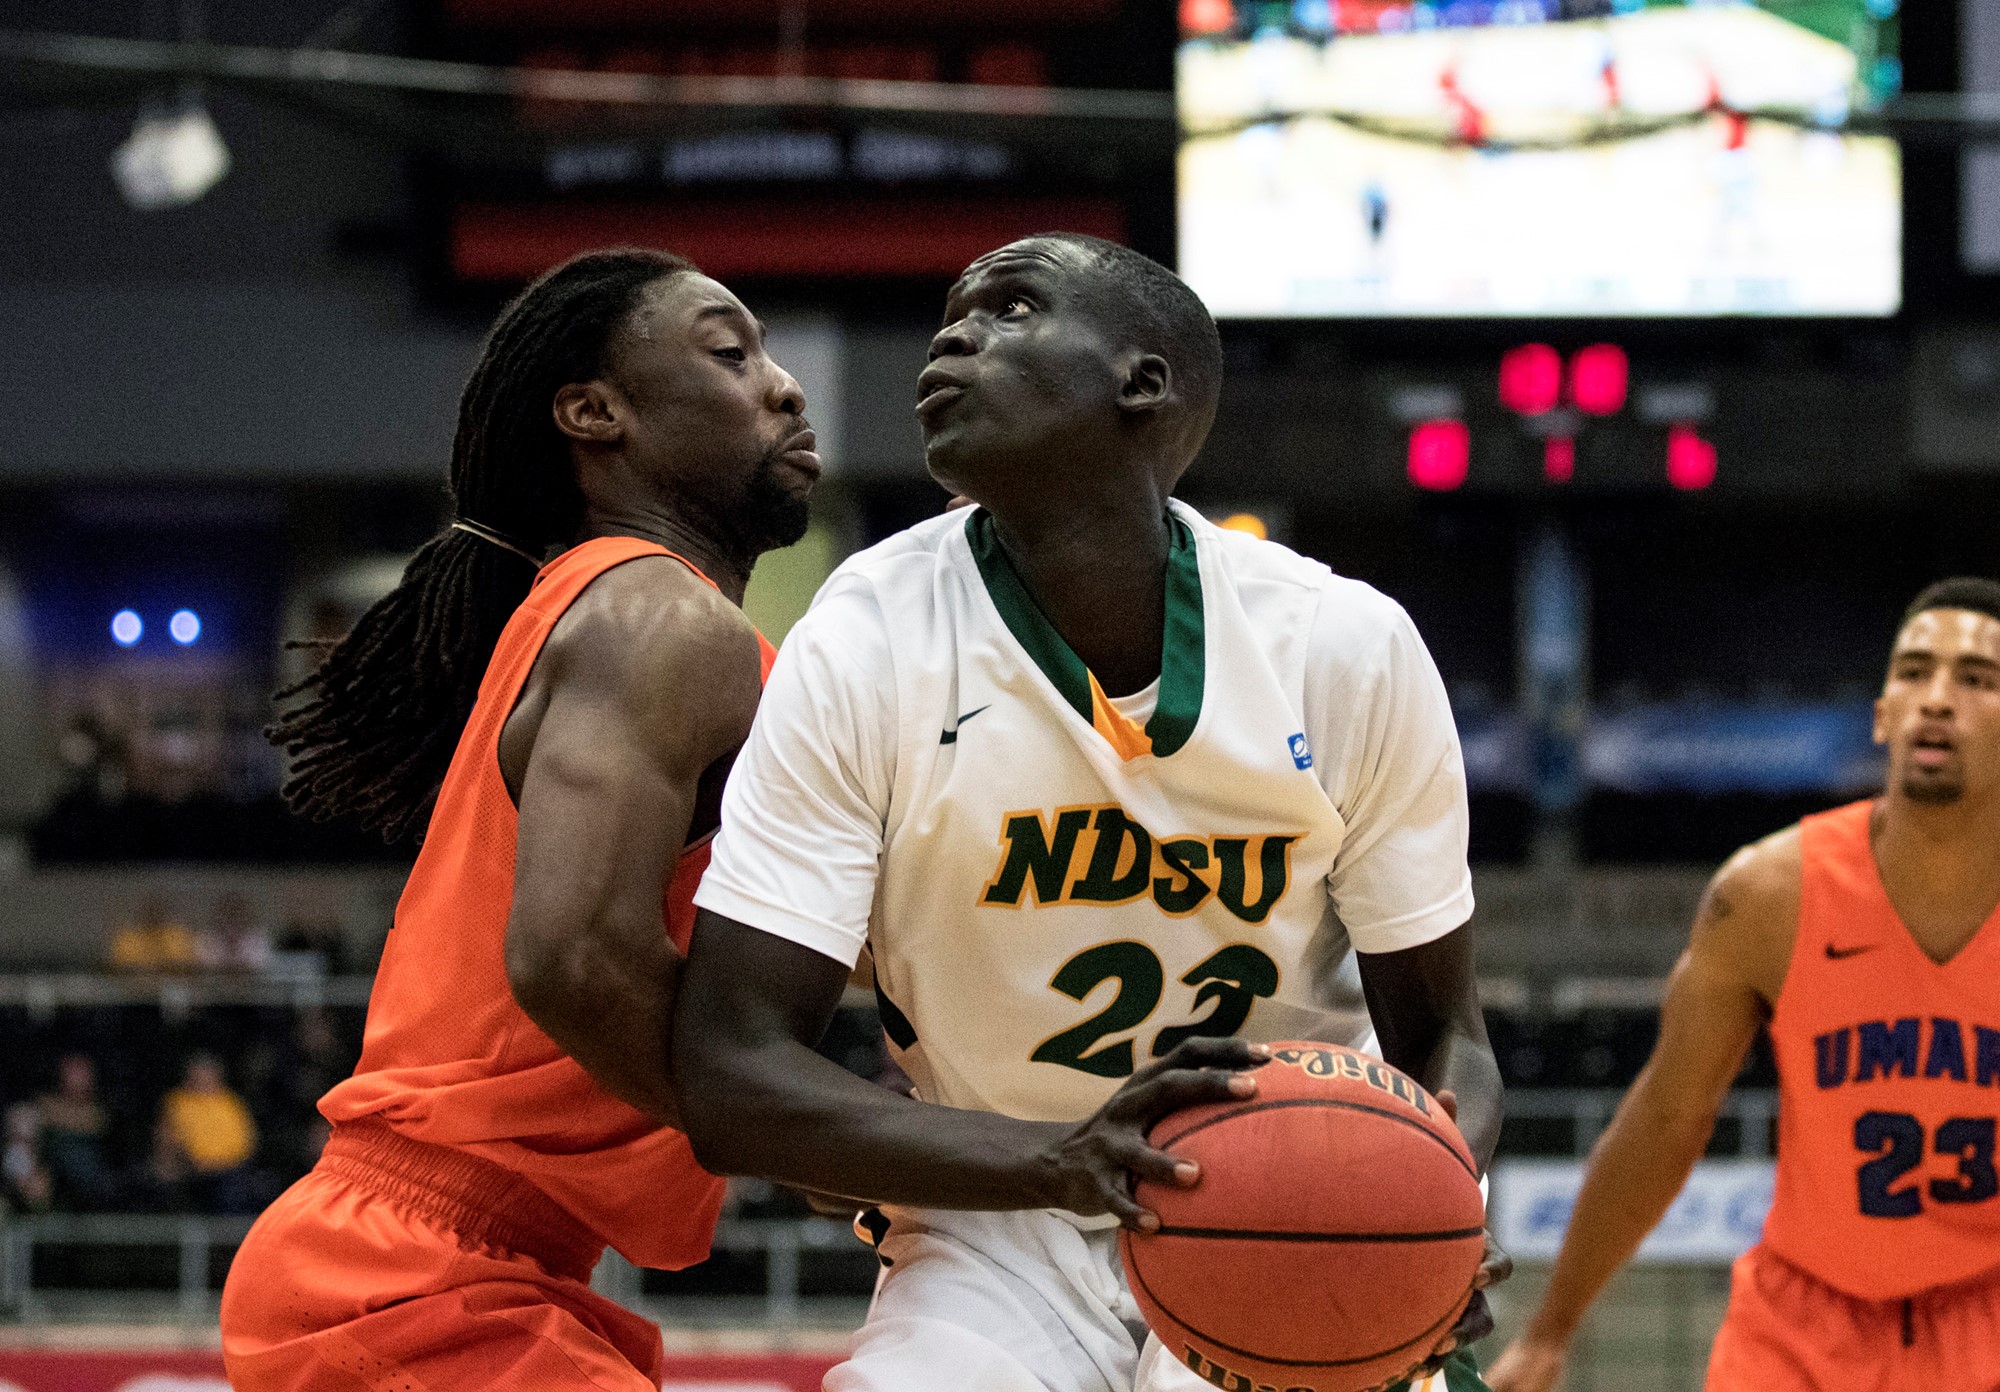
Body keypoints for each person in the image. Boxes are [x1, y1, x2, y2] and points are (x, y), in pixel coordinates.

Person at [673, 234, 1507, 1392]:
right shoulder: (866, 637)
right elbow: (731, 1066)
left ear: (1141, 382)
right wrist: (1056, 1160)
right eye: (950, 313)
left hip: (1292, 1179)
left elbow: (1440, 1031)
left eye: (1010, 308)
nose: (953, 335)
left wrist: (1431, 1197)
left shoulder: (1340, 645)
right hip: (990, 1209)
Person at [220, 247, 819, 1391]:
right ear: (594, 413)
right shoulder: (656, 616)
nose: (781, 386)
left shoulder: (624, 617)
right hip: (418, 1279)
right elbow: (574, 955)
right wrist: (812, 1139)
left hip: (446, 1264)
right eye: (730, 353)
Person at [1488, 577, 2000, 1392]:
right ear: (1880, 714)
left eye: (1977, 680)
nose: (1936, 699)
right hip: (1802, 1323)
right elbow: (1667, 1116)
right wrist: (1550, 1331)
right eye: (1913, 671)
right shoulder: (1770, 896)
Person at [158, 1053, 261, 1214]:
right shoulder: (177, 1101)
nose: (204, 1079)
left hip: (228, 1170)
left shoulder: (231, 1103)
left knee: (237, 1187)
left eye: (208, 1073)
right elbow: (168, 1139)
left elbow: (246, 1143)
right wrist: (191, 1161)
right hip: (189, 1168)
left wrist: (218, 1163)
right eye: (198, 1073)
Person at [36, 1053, 114, 1210]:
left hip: (93, 1184)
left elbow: (97, 1121)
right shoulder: (45, 1103)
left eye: (82, 1071)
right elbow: (40, 1112)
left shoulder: (101, 1109)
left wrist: (57, 1116)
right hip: (57, 1181)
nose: (78, 1077)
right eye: (73, 1070)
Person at [107, 895, 198, 973]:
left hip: (170, 985)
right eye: (149, 911)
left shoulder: (176, 936)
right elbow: (120, 967)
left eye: (158, 911)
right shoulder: (128, 938)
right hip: (134, 984)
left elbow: (183, 965)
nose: (153, 915)